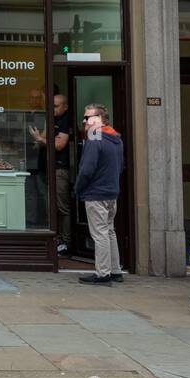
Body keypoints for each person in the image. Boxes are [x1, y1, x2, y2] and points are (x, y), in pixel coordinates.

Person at [73, 103, 124, 285]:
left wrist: (78, 188)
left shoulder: (94, 139)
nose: (84, 121)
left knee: (100, 233)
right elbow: (120, 166)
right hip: (111, 192)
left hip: (96, 193)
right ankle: (115, 270)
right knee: (109, 231)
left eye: (88, 118)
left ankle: (103, 274)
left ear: (99, 119)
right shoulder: (115, 138)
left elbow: (86, 169)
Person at [29, 93, 74, 254]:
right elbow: (44, 139)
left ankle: (66, 243)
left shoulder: (65, 120)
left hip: (59, 169)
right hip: (47, 167)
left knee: (62, 207)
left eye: (55, 106)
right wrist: (38, 139)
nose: (52, 109)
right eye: (50, 105)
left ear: (65, 107)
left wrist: (40, 140)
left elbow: (59, 144)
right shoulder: (52, 119)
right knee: (51, 205)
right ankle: (57, 239)